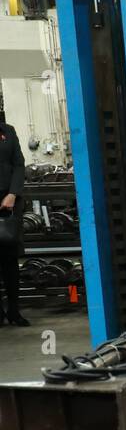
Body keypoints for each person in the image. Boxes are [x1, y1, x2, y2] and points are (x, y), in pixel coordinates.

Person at [0, 113, 27, 326]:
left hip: (8, 202)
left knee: (10, 258)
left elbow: (19, 164)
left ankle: (14, 311)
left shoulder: (8, 131)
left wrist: (13, 193)